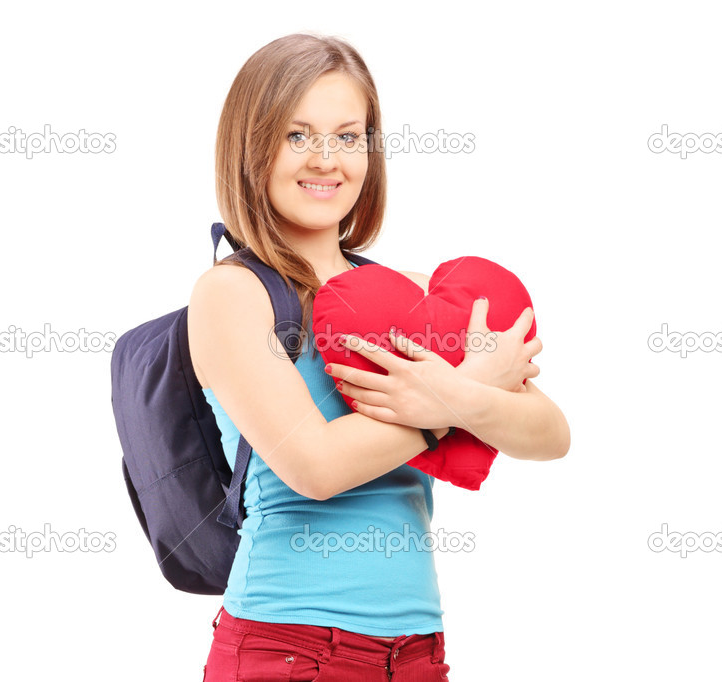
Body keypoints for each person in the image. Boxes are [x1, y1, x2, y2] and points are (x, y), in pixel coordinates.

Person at [188, 33, 570, 682]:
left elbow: (550, 433)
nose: (327, 159)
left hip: (417, 654)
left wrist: (458, 394)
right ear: (251, 148)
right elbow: (316, 466)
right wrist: (459, 397)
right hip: (288, 647)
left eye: (348, 135)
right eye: (297, 135)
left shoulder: (411, 297)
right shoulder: (232, 293)